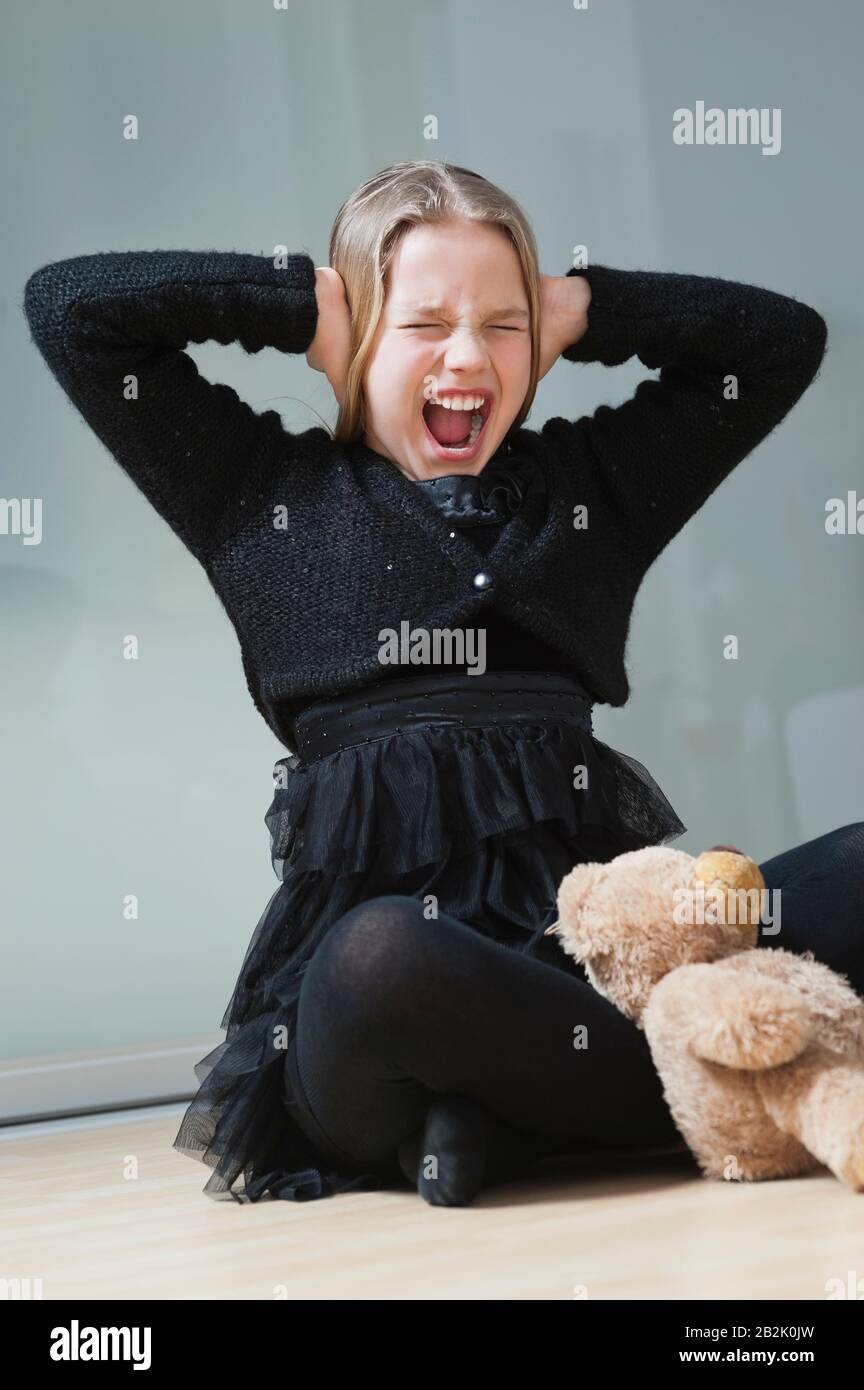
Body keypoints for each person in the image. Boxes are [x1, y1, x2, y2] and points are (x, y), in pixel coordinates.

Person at [23, 160, 861, 1210]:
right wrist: (301, 310)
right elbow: (73, 311)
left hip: (585, 973)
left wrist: (584, 310)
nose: (468, 357)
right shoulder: (259, 495)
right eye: (423, 326)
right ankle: (699, 1087)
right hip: (389, 1012)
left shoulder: (590, 493)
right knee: (379, 957)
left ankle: (526, 1117)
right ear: (358, 334)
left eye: (502, 327)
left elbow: (777, 342)